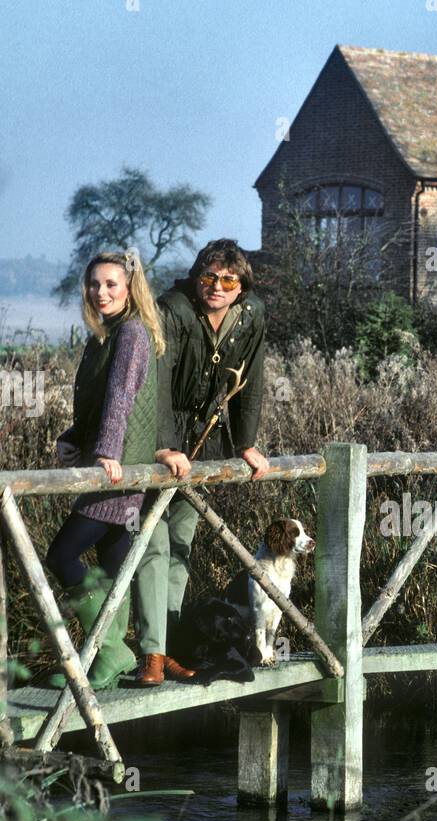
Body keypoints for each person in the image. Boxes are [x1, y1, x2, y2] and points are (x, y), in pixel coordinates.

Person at [132, 239, 270, 686]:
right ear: (197, 276)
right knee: (152, 545)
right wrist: (164, 446)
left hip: (206, 446)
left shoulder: (251, 316)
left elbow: (253, 378)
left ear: (241, 285)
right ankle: (151, 653)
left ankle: (169, 644)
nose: (216, 286)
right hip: (159, 446)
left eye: (228, 280)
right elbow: (157, 381)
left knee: (181, 546)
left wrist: (246, 442)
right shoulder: (171, 310)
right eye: (208, 277)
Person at [45, 249, 163, 689]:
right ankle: (107, 661)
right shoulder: (105, 334)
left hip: (119, 469)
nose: (101, 292)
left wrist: (107, 454)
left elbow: (121, 398)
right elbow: (95, 405)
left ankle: (111, 650)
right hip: (113, 463)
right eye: (95, 284)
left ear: (129, 287)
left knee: (61, 555)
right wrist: (73, 439)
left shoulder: (130, 332)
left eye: (111, 284)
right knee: (112, 566)